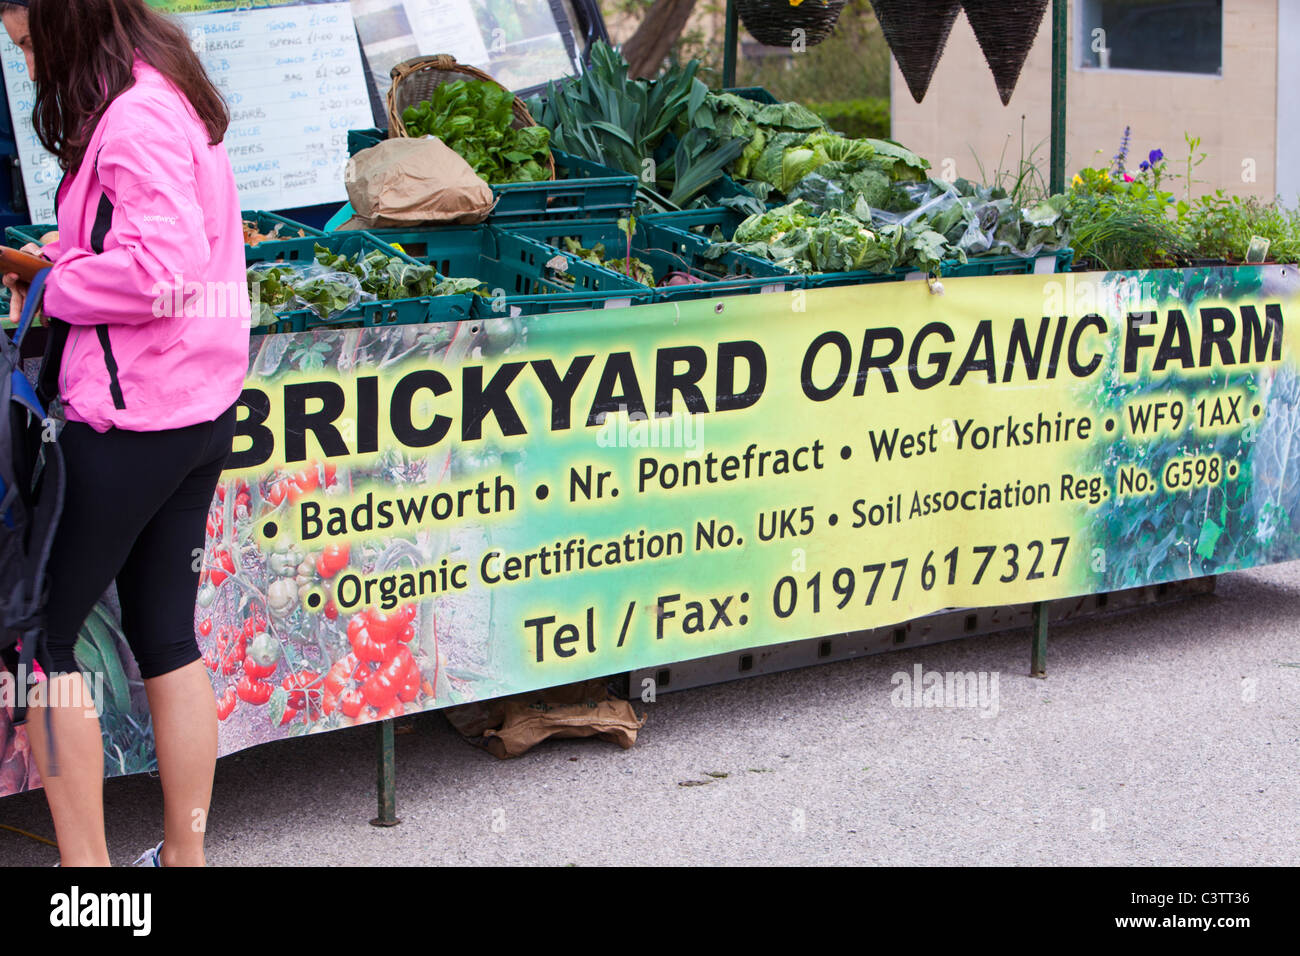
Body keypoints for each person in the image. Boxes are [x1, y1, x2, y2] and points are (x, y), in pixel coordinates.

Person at [1, 0, 250, 866]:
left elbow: (166, 272)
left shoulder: (134, 116)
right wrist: (70, 249)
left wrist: (55, 281)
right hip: (195, 411)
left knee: (43, 649)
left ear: (65, 23)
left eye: (30, 44)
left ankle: (90, 886)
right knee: (167, 640)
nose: (29, 67)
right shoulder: (166, 88)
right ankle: (183, 862)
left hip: (133, 415)